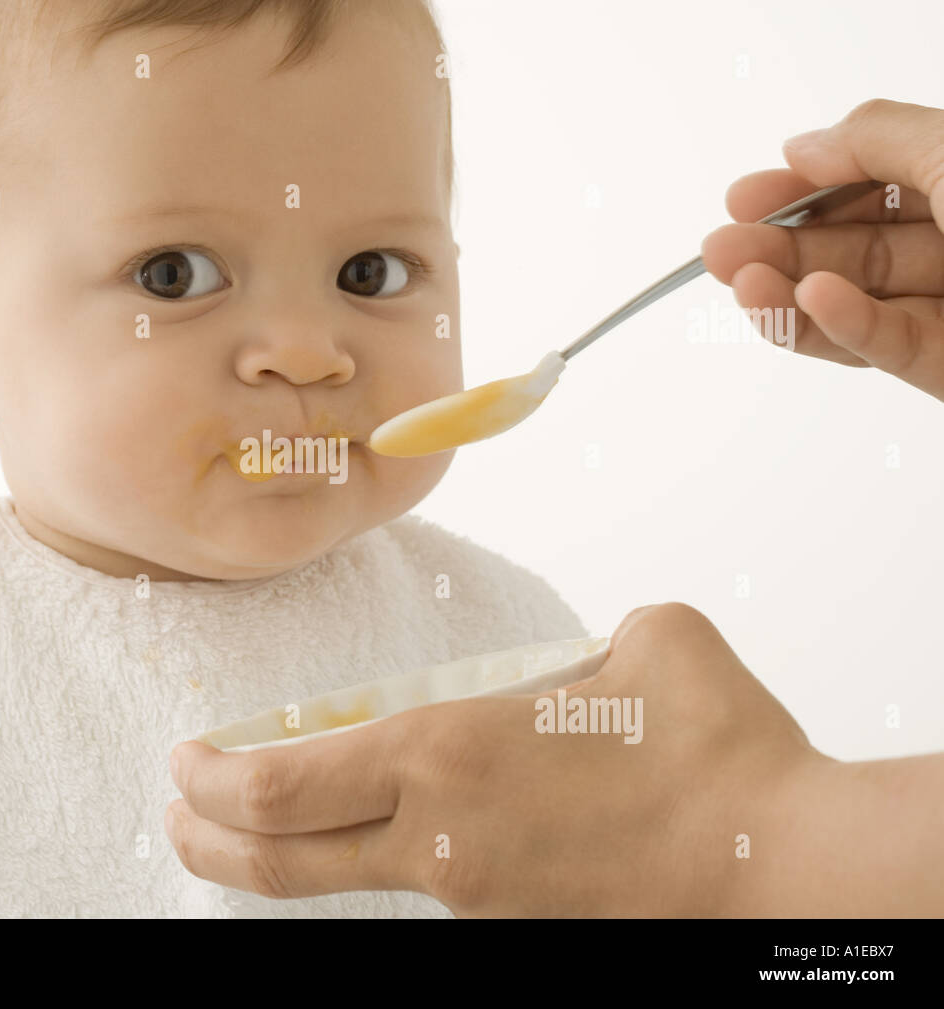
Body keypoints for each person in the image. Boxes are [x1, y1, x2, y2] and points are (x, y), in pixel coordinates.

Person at [166, 98, 944, 917]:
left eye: (371, 271)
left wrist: (731, 850)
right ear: (3, 362)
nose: (306, 353)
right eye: (171, 275)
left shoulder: (511, 639)